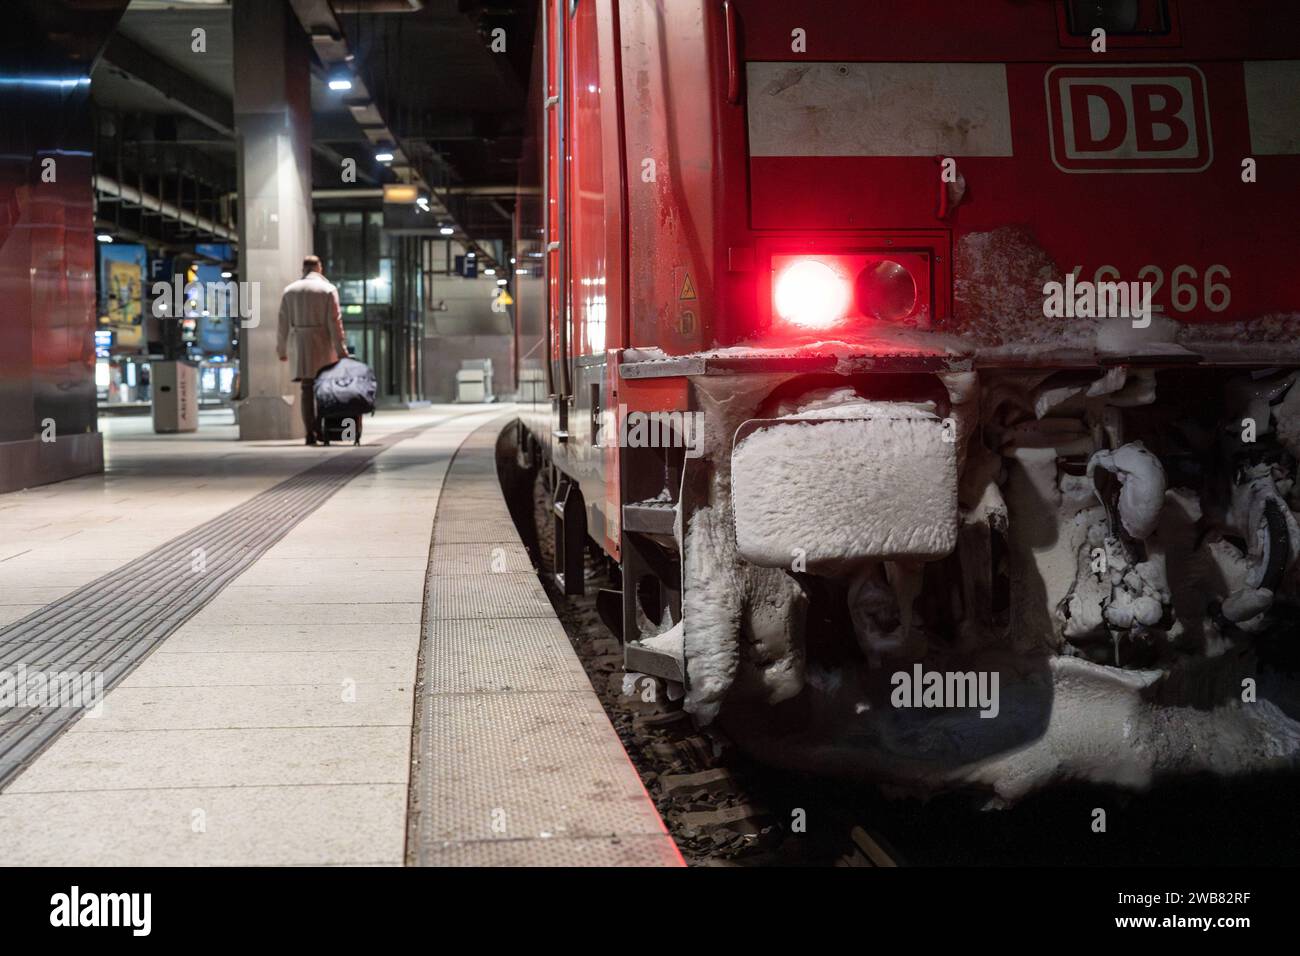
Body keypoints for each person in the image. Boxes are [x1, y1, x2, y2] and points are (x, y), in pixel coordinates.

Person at [276, 255, 347, 445]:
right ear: (319, 268)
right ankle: (322, 430)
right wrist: (341, 349)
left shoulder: (290, 291)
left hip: (299, 345)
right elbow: (335, 322)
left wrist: (281, 350)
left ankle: (309, 432)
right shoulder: (328, 289)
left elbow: (282, 323)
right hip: (323, 343)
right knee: (324, 390)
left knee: (306, 389)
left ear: (303, 269)